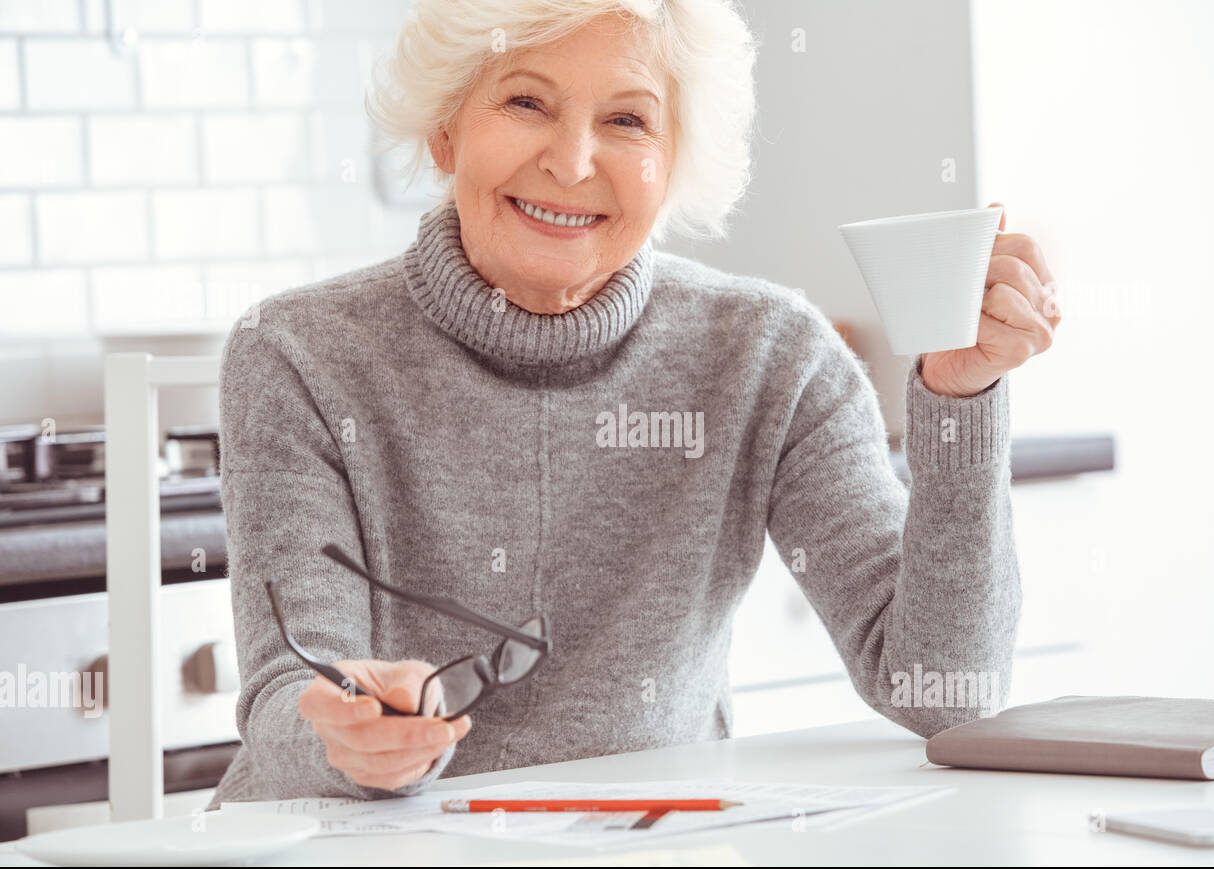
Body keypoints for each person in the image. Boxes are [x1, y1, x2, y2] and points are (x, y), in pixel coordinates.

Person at [208, 0, 1060, 805]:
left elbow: (946, 692)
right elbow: (292, 697)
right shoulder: (297, 353)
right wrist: (346, 734)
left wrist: (961, 394)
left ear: (675, 162)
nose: (573, 163)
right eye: (526, 102)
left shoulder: (771, 355)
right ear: (444, 129)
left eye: (627, 121)